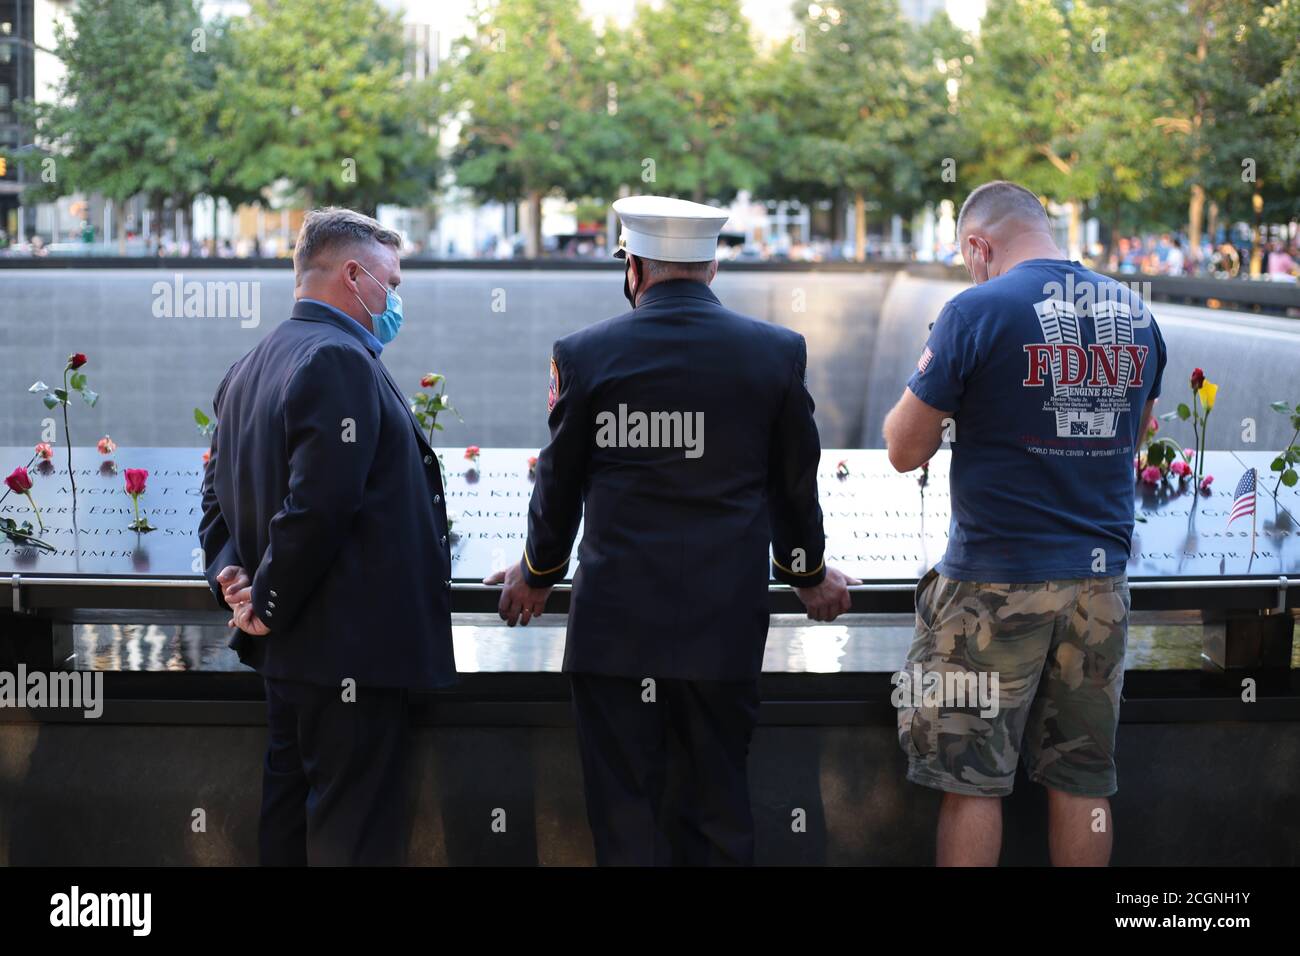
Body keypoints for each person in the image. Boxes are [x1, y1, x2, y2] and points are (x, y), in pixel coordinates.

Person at [485, 195, 858, 866]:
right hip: (723, 630)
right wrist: (807, 574)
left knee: (625, 818)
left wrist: (536, 574)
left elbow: (559, 485)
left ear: (632, 268)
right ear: (711, 268)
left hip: (614, 634)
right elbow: (794, 488)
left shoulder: (583, 354)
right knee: (718, 812)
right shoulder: (776, 353)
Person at [883, 180, 1166, 867]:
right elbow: (1141, 437)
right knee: (1083, 779)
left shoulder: (976, 309)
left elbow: (902, 448)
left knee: (971, 783)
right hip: (1100, 586)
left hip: (993, 581)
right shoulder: (1135, 312)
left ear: (980, 246)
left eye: (964, 256)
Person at [199, 207, 455, 865]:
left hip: (289, 655)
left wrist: (233, 577)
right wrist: (266, 599)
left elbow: (215, 495)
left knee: (287, 821)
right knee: (353, 834)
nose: (395, 298)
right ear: (353, 275)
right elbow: (319, 504)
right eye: (391, 282)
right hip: (349, 654)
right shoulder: (338, 359)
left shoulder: (252, 364)